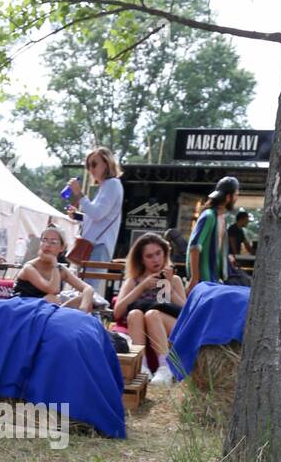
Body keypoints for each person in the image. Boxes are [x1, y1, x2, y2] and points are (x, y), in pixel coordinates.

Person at [114, 233, 186, 383]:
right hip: (139, 326)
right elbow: (118, 312)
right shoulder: (134, 281)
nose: (156, 259)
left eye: (159, 253)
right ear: (141, 259)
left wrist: (169, 286)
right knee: (134, 313)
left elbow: (186, 313)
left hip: (168, 324)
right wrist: (141, 287)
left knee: (152, 314)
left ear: (165, 253)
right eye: (149, 256)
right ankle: (142, 366)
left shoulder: (175, 280)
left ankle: (165, 367)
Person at [66, 147, 124, 291]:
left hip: (98, 245)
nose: (90, 169)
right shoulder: (106, 186)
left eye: (94, 164)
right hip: (94, 245)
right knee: (85, 291)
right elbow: (97, 217)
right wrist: (78, 216)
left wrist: (79, 194)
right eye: (88, 165)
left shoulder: (112, 184)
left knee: (88, 292)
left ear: (106, 163)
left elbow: (97, 213)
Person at [13, 225, 96, 310]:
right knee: (51, 299)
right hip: (23, 307)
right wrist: (54, 261)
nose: (47, 245)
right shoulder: (29, 267)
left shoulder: (60, 269)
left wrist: (83, 308)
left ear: (62, 248)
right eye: (44, 240)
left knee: (86, 299)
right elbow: (53, 290)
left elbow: (88, 289)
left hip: (46, 309)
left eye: (53, 242)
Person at [185, 175, 240, 295]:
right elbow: (194, 247)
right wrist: (194, 279)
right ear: (228, 197)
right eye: (236, 195)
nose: (236, 198)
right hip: (203, 281)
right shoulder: (209, 216)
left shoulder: (222, 218)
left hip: (214, 280)